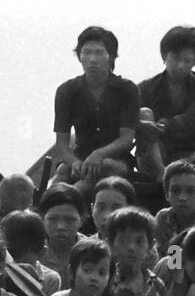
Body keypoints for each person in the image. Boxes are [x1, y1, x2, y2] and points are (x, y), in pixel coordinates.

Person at [51, 25, 140, 198]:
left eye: (99, 53)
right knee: (62, 171)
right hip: (80, 157)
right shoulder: (67, 90)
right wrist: (74, 162)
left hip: (117, 160)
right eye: (87, 52)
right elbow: (61, 143)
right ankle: (48, 203)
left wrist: (99, 154)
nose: (92, 59)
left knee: (106, 166)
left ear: (111, 57)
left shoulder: (127, 89)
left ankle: (66, 199)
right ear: (79, 56)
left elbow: (127, 139)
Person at [136, 25, 195, 179]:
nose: (181, 65)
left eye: (187, 60)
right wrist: (142, 125)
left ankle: (164, 178)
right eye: (176, 58)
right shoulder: (145, 88)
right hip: (156, 149)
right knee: (144, 115)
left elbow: (189, 121)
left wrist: (161, 125)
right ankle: (161, 176)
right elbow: (128, 121)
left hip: (191, 151)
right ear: (164, 56)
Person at [154, 158, 195, 254]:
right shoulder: (163, 218)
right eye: (175, 191)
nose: (182, 198)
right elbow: (163, 255)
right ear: (167, 194)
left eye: (190, 191)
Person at [0, 209, 62, 296]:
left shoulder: (49, 280)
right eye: (9, 256)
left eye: (19, 258)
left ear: (42, 253)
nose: (15, 264)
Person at [37, 183, 87, 285]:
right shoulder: (33, 253)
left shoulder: (92, 252)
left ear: (82, 220)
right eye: (53, 219)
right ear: (42, 219)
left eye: (69, 220)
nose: (61, 227)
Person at [88, 175, 136, 240]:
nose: (107, 216)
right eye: (101, 208)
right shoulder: (83, 248)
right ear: (92, 209)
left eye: (116, 209)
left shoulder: (143, 248)